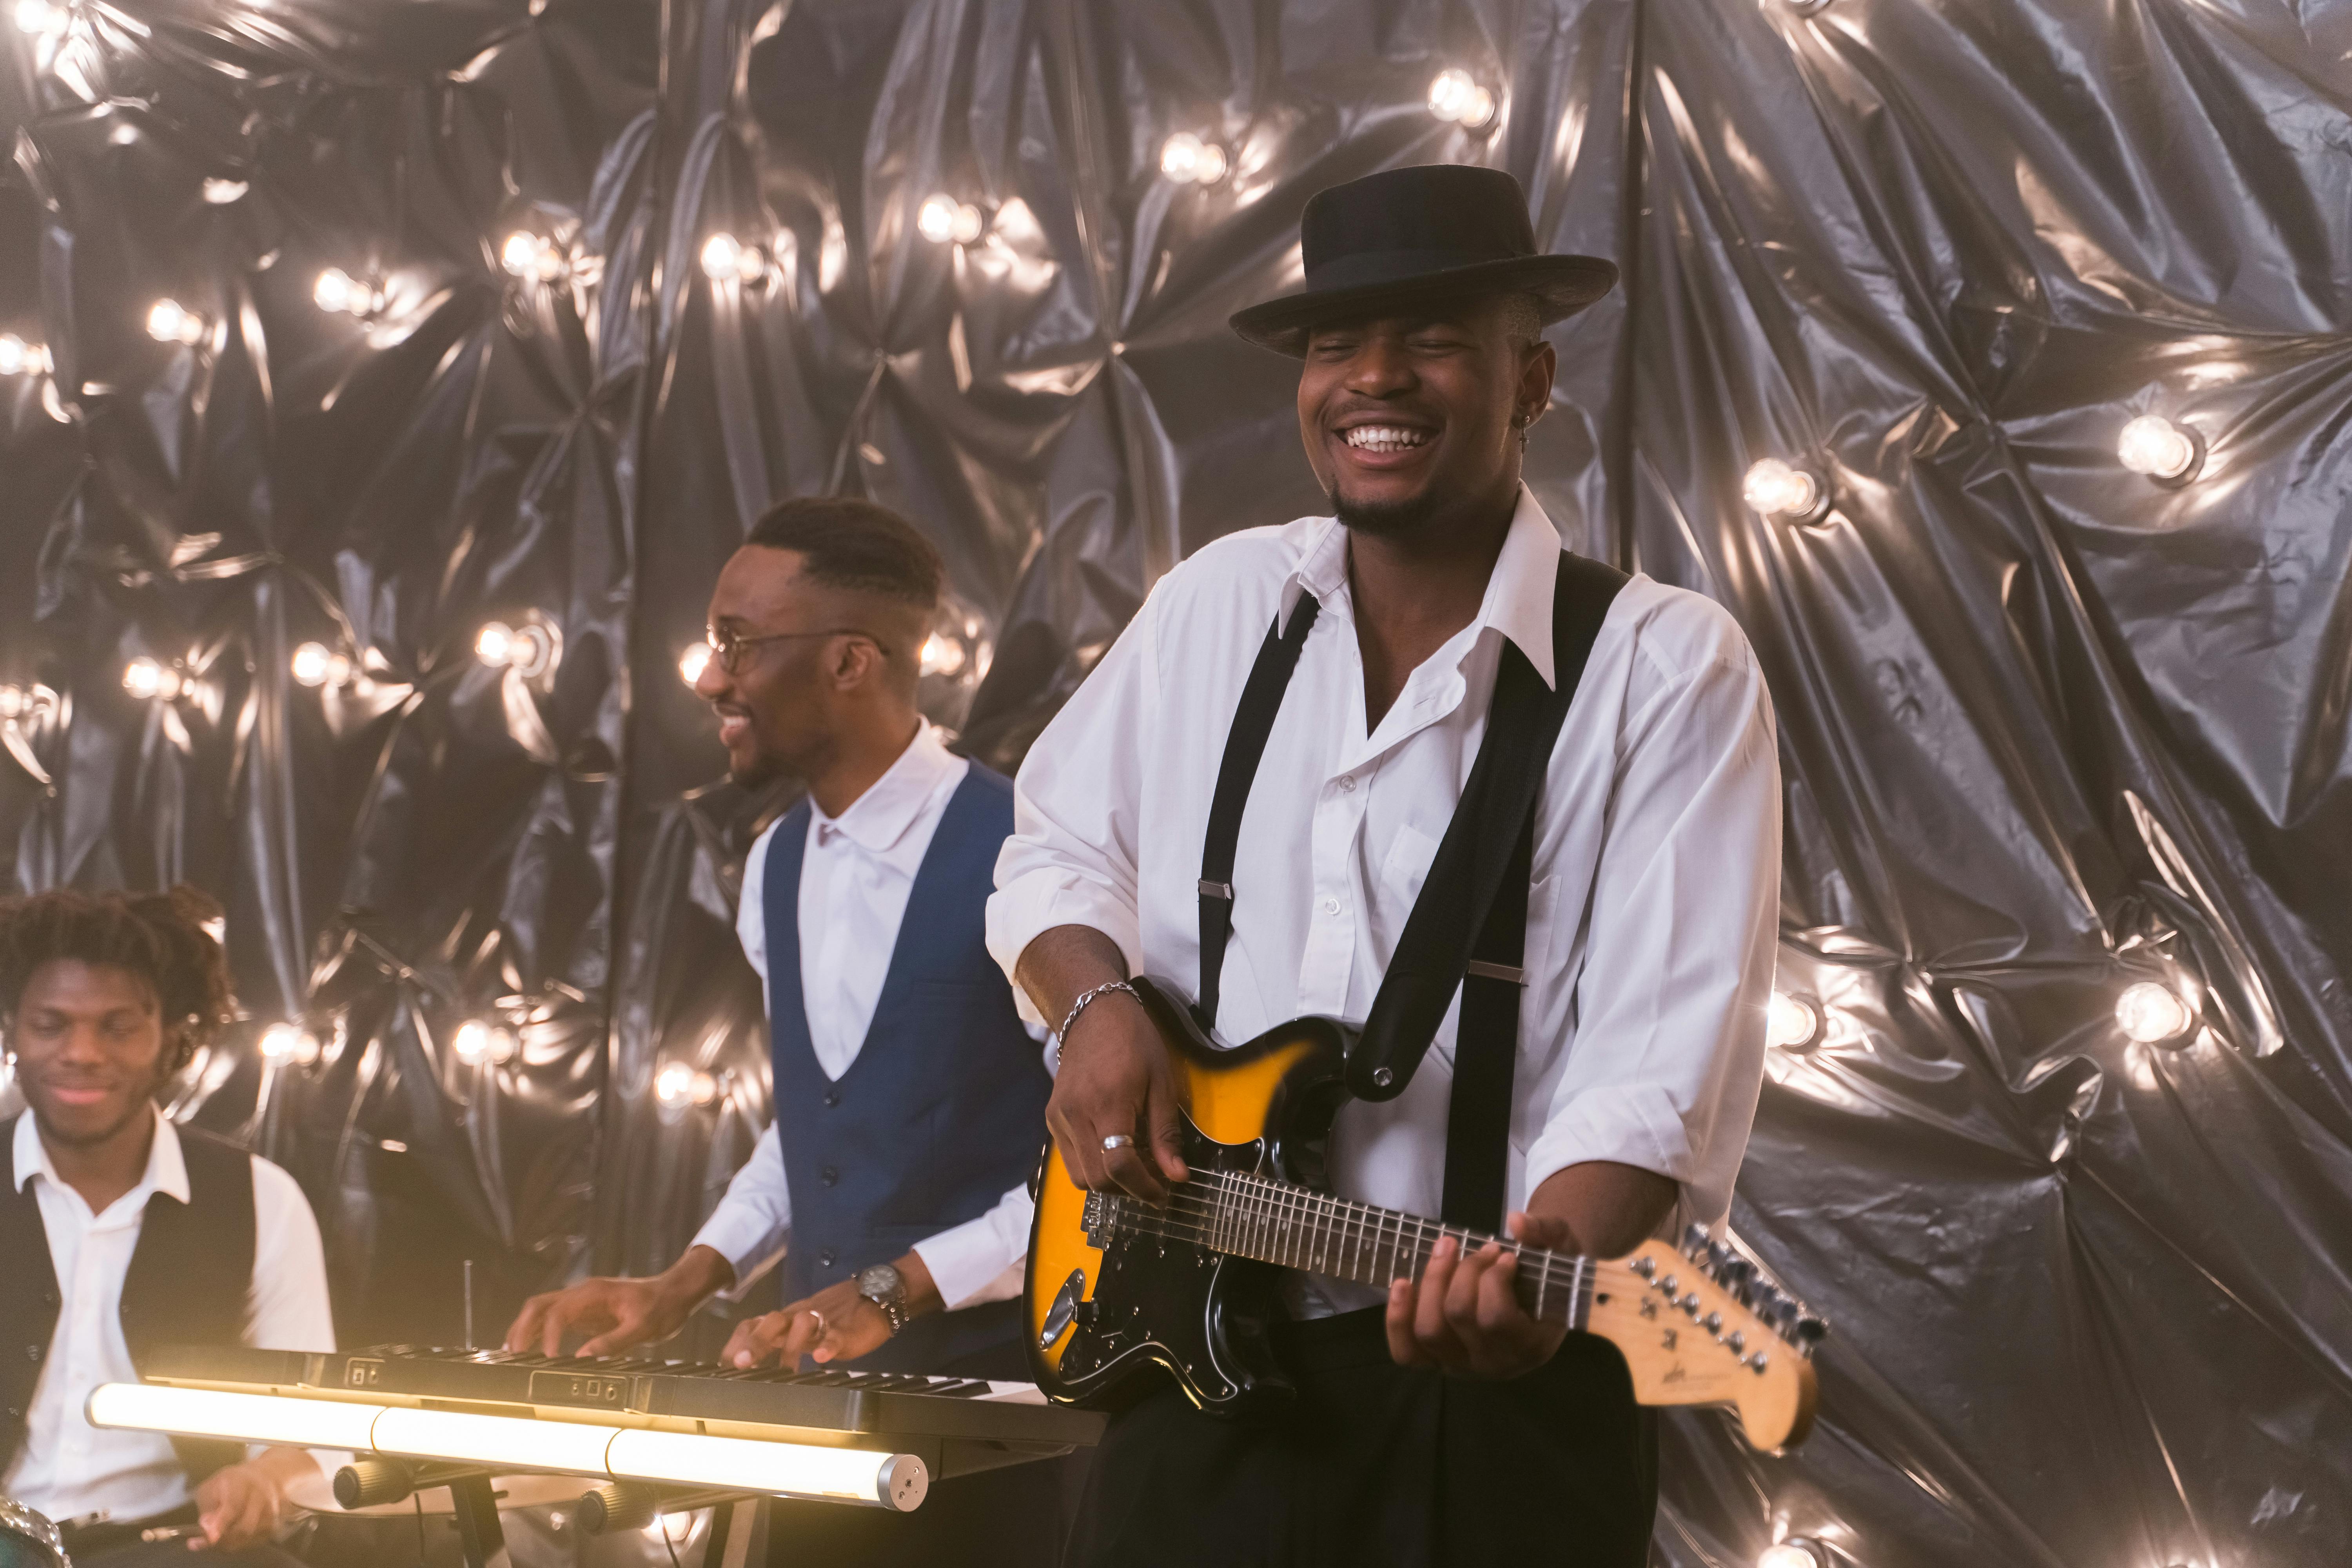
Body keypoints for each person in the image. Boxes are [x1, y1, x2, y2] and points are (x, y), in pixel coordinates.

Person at [988, 164, 1784, 1566]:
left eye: (1430, 341)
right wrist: (1094, 1013)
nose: (1374, 381)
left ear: (1529, 379)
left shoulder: (1664, 666)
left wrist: (1542, 1280)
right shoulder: (1220, 604)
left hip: (1497, 1412)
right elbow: (1053, 853)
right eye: (1335, 346)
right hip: (1185, 1361)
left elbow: (1663, 1068)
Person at [506, 496, 1060, 1567]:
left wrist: (897, 1289)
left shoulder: (1026, 854)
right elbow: (814, 1123)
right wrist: (686, 1282)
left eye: (738, 645)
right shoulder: (775, 864)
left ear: (852, 661)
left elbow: (1097, 1165)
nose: (712, 677)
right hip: (820, 1431)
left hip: (1004, 1425)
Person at [0, 886, 337, 1567]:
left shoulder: (261, 1200)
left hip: (173, 1548)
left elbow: (319, 1429)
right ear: (11, 1032)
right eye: (51, 1024)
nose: (83, 1052)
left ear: (172, 1041)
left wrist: (265, 1480)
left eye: (117, 1027)